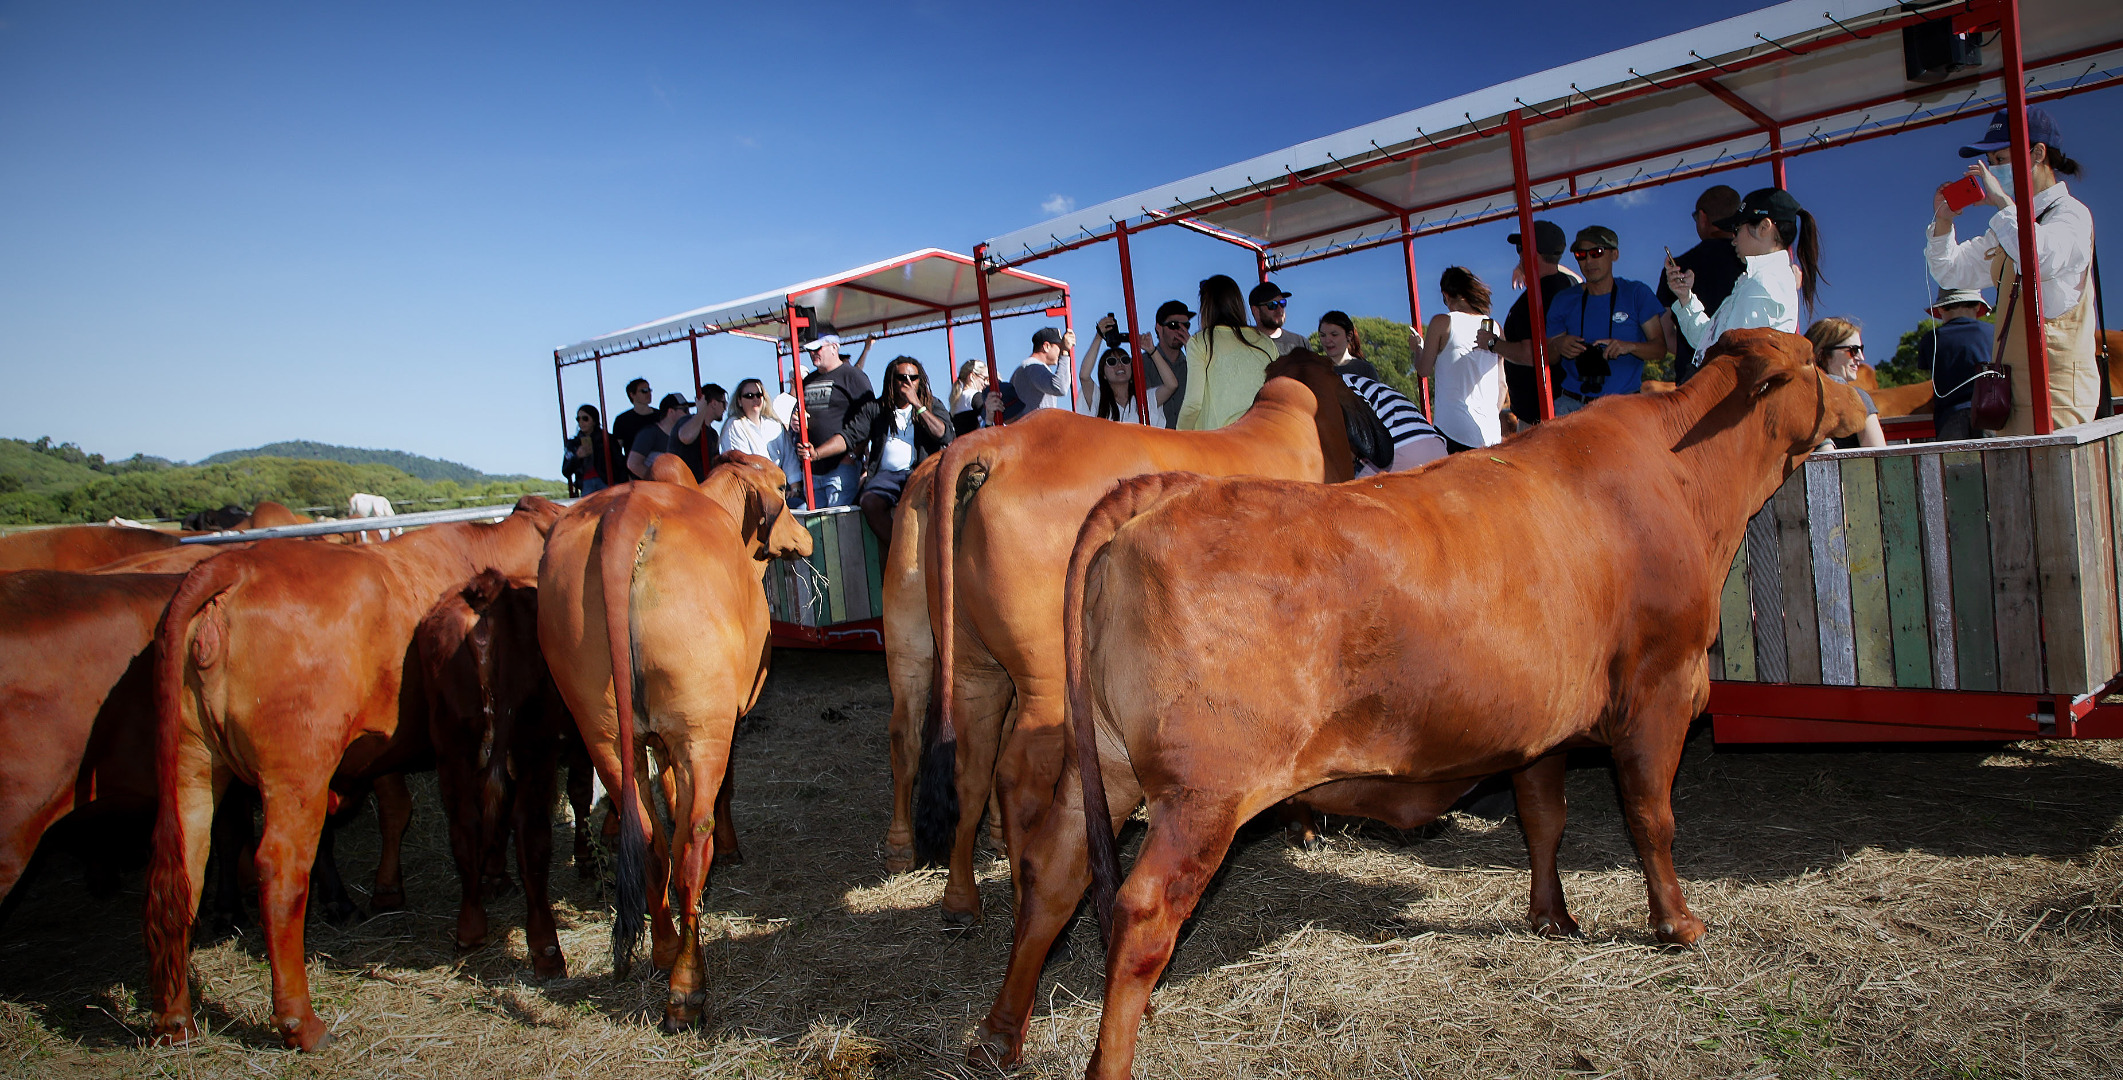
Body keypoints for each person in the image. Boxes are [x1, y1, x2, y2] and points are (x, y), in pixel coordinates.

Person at [1925, 106, 2098, 435]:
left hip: (2058, 396)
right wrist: (1943, 221)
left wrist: (2004, 204)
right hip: (2009, 396)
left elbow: (2039, 258)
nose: (1993, 170)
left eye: (2000, 160)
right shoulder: (2009, 225)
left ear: (2038, 153)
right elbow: (1951, 272)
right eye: (1992, 163)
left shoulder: (2072, 214)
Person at [812, 357, 954, 554]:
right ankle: (903, 552)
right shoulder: (876, 408)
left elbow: (944, 434)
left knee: (935, 503)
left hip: (921, 471)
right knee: (869, 502)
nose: (907, 382)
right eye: (901, 377)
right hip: (888, 475)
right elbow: (850, 436)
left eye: (913, 378)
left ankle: (933, 553)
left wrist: (917, 404)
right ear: (891, 380)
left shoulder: (931, 404)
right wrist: (816, 453)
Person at [1666, 187, 1821, 353]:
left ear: (1764, 227)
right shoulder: (1756, 280)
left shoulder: (1762, 283)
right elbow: (1708, 341)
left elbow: (1732, 357)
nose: (1733, 239)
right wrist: (1685, 297)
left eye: (1737, 229)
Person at [1543, 226, 1668, 415]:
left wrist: (1628, 347)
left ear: (1614, 254)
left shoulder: (1636, 293)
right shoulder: (1563, 300)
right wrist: (1559, 345)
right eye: (1581, 255)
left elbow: (1659, 349)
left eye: (1596, 252)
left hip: (1625, 406)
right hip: (1572, 405)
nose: (1589, 261)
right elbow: (1549, 357)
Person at [1480, 220, 1574, 427]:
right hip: (1547, 410)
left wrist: (1492, 343)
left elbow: (1533, 353)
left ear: (1533, 252)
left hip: (1543, 417)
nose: (1519, 255)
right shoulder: (1561, 286)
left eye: (1521, 248)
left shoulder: (1541, 297)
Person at [1655, 185, 1747, 384]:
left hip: (1694, 378)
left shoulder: (1676, 268)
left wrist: (1685, 351)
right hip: (1744, 375)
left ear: (1703, 217)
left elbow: (1664, 329)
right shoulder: (1753, 264)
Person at [1417, 267, 1505, 451]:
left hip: (1452, 428)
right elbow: (1502, 384)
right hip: (1490, 432)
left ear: (1446, 295)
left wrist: (1417, 348)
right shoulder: (1495, 327)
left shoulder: (1442, 322)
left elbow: (1423, 369)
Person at [1177, 274, 1278, 431]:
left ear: (1206, 307)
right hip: (1265, 437)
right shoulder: (1266, 342)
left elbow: (1193, 404)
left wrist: (1180, 437)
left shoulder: (1200, 342)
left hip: (1220, 444)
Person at [792, 331, 875, 507]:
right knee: (817, 527)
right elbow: (797, 411)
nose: (813, 353)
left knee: (840, 525)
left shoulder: (853, 376)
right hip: (812, 470)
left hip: (841, 469)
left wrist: (852, 455)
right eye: (810, 350)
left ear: (834, 347)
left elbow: (868, 420)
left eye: (817, 348)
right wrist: (795, 421)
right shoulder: (808, 381)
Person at [1915, 288, 1995, 442]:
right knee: (1996, 464)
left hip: (1950, 417)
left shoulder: (1931, 339)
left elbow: (1927, 373)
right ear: (1978, 306)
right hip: (1991, 414)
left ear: (1941, 308)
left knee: (1955, 465)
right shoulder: (1993, 333)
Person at [1807, 317, 1886, 449]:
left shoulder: (1792, 397)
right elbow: (1879, 458)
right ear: (1822, 355)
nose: (1861, 358)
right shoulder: (1858, 397)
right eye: (1852, 350)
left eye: (1861, 349)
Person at [1344, 372, 1447, 472]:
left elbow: (1359, 423)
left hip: (1402, 447)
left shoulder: (1337, 383)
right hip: (1437, 447)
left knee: (1347, 488)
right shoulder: (1360, 383)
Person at [718, 378, 795, 486]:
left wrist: (795, 487)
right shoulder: (734, 426)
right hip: (752, 489)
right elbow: (743, 465)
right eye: (749, 396)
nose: (755, 399)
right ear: (739, 401)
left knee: (801, 503)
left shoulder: (775, 425)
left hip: (780, 487)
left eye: (758, 395)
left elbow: (790, 459)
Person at [1141, 300, 1193, 428]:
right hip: (1155, 441)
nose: (1180, 331)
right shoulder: (1141, 364)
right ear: (1159, 327)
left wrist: (1193, 351)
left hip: (1189, 441)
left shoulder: (1193, 364)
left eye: (1186, 325)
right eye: (1174, 325)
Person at [628, 392, 695, 479]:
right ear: (671, 412)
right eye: (685, 410)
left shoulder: (683, 437)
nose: (689, 414)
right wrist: (657, 482)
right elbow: (633, 464)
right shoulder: (649, 433)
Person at [669, 383, 727, 481]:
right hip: (679, 485)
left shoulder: (713, 435)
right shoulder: (686, 421)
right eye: (724, 403)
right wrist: (701, 412)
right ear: (714, 403)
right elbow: (686, 437)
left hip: (700, 488)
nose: (725, 408)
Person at [1316, 310, 1381, 382]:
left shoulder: (1366, 370)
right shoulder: (1315, 369)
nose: (1327, 340)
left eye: (1334, 335)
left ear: (1349, 336)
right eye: (1322, 335)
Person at [562, 404, 610, 495]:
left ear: (594, 420)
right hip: (585, 484)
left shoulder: (607, 440)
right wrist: (577, 457)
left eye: (585, 418)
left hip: (607, 482)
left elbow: (619, 463)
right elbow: (565, 470)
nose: (581, 422)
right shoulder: (573, 444)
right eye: (578, 419)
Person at [611, 377, 660, 464]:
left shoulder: (661, 416)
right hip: (635, 469)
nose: (648, 393)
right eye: (644, 390)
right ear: (632, 394)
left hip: (661, 465)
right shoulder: (622, 420)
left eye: (649, 390)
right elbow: (616, 450)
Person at [1249, 281, 1306, 356]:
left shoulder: (1300, 342)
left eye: (1282, 303)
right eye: (1272, 305)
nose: (1280, 309)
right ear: (1256, 311)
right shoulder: (1246, 343)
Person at [1089, 345, 1143, 424]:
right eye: (1112, 362)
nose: (1120, 365)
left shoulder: (1145, 398)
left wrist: (1152, 351)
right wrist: (1099, 337)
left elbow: (1168, 386)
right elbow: (1084, 376)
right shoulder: (1097, 399)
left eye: (1125, 360)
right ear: (1103, 374)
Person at [949, 359, 987, 435]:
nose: (985, 383)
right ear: (972, 376)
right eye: (984, 378)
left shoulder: (956, 401)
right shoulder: (976, 397)